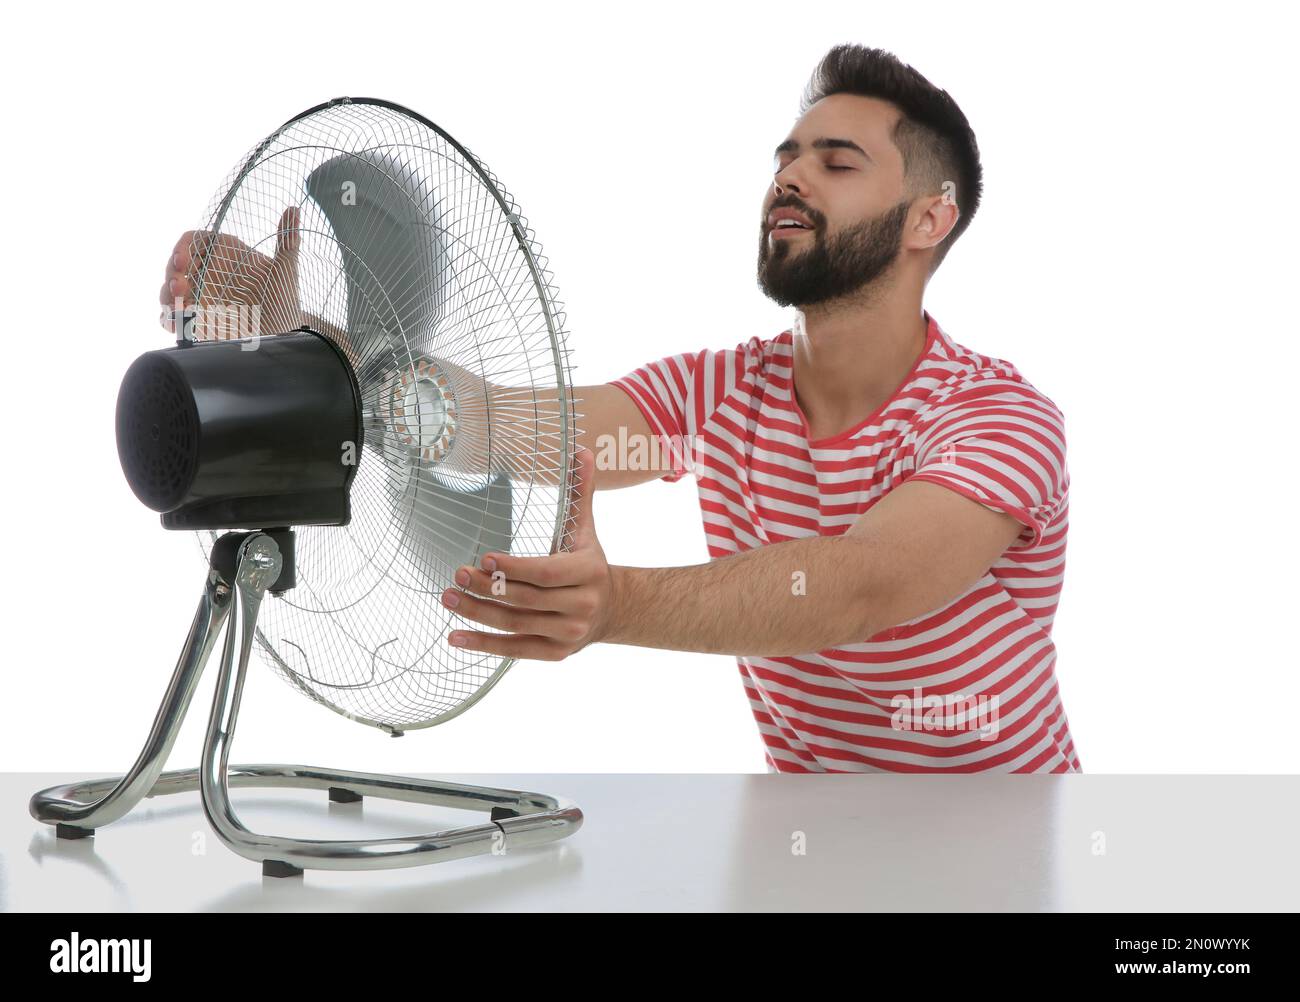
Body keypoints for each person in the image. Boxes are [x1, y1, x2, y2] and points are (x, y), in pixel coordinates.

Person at [160, 44, 1077, 773]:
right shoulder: (719, 396)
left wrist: (617, 606)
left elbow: (859, 586)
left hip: (1009, 846)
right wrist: (304, 346)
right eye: (786, 158)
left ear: (929, 220)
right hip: (816, 853)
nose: (790, 179)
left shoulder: (999, 419)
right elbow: (494, 427)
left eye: (837, 163)